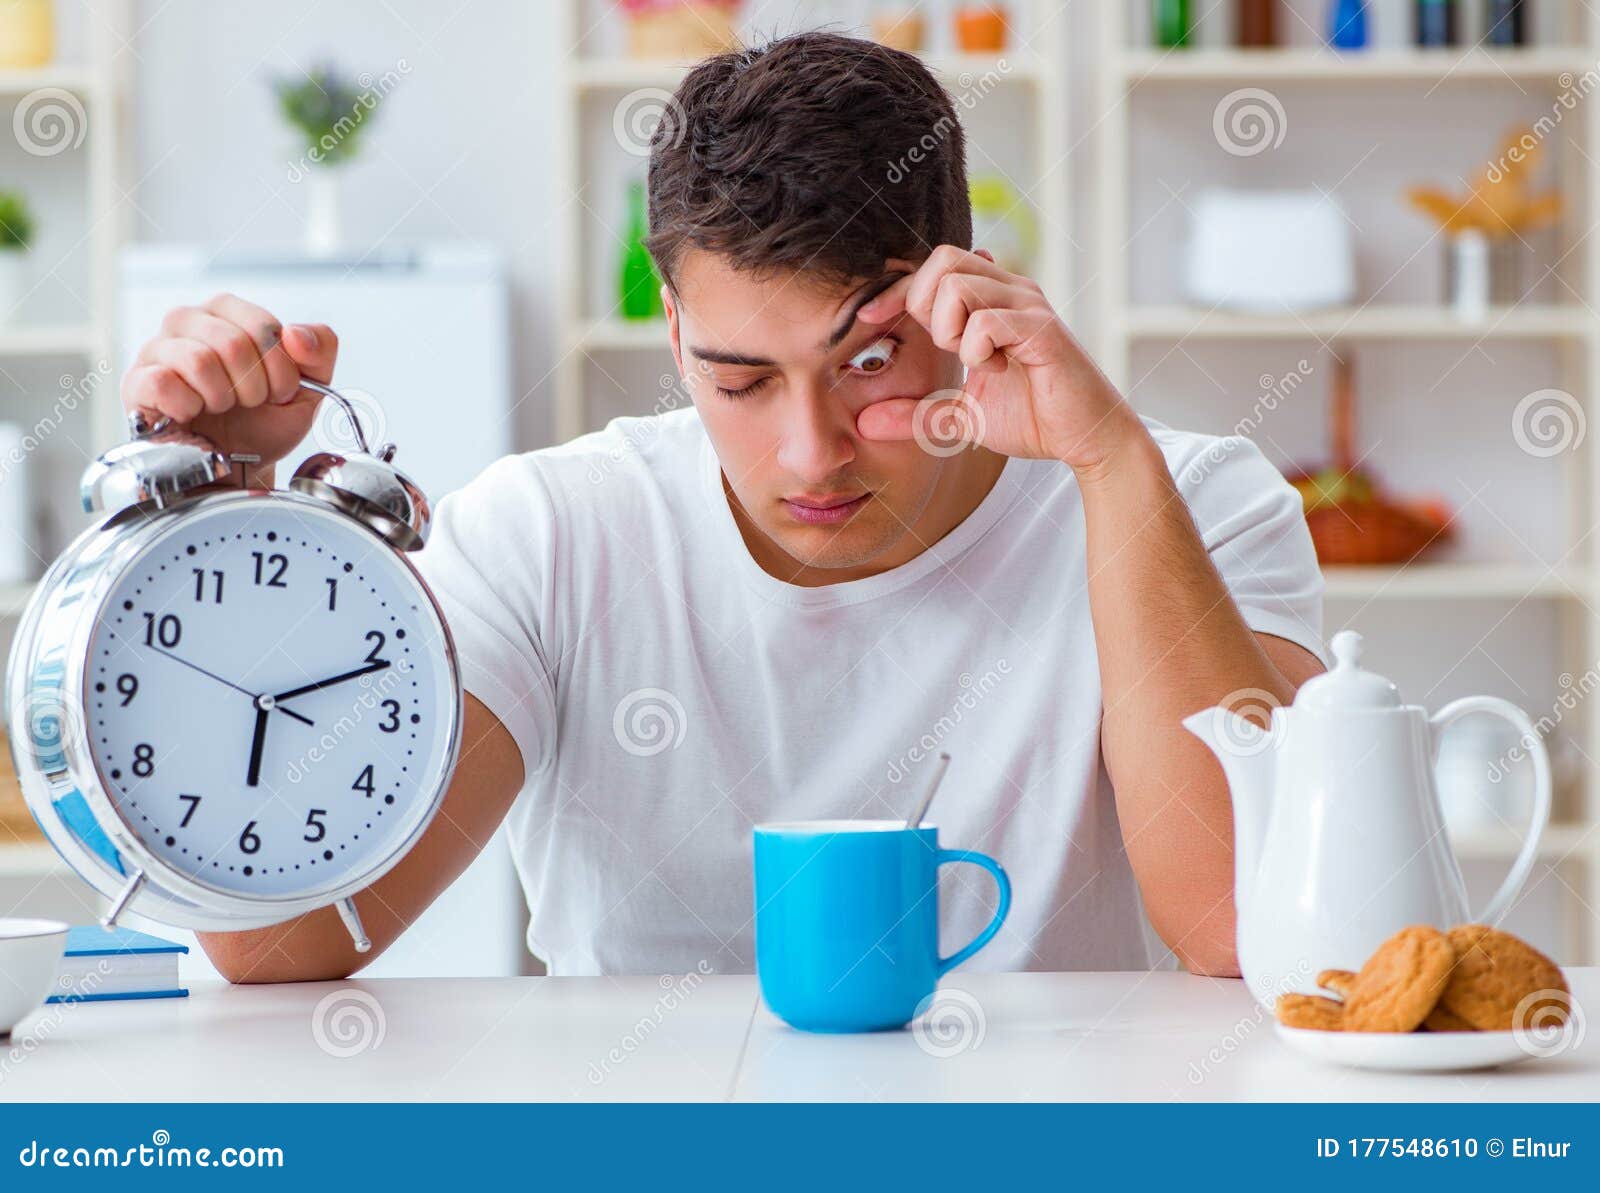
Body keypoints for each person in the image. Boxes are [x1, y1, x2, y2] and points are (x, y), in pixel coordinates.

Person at [120, 32, 1324, 983]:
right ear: (674, 326)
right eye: (741, 380)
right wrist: (230, 534)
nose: (812, 451)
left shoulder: (1191, 503)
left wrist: (1108, 464)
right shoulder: (553, 534)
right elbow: (280, 942)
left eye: (868, 362)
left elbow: (1237, 921)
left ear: (973, 290)